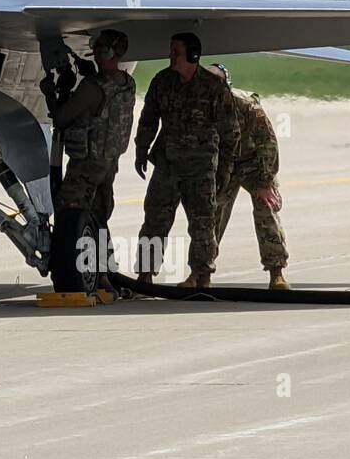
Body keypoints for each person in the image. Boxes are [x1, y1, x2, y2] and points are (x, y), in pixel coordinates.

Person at [133, 32, 238, 288]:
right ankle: (145, 277)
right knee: (155, 221)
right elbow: (148, 118)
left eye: (176, 53)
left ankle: (202, 277)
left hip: (200, 169)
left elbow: (230, 132)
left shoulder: (213, 87)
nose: (171, 57)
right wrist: (141, 150)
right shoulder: (163, 81)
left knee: (203, 224)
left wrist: (224, 171)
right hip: (167, 166)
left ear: (192, 56)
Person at [40, 31, 137, 290]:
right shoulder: (127, 83)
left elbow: (61, 118)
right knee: (98, 217)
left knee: (70, 213)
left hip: (87, 163)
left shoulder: (92, 87)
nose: (95, 51)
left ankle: (81, 272)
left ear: (107, 52)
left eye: (100, 48)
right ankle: (104, 274)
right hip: (109, 162)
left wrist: (50, 94)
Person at [207, 64, 289, 289]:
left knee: (266, 208)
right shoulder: (202, 106)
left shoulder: (245, 104)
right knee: (211, 213)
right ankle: (201, 272)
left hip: (254, 163)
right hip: (226, 166)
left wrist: (264, 181)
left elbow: (269, 142)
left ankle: (276, 272)